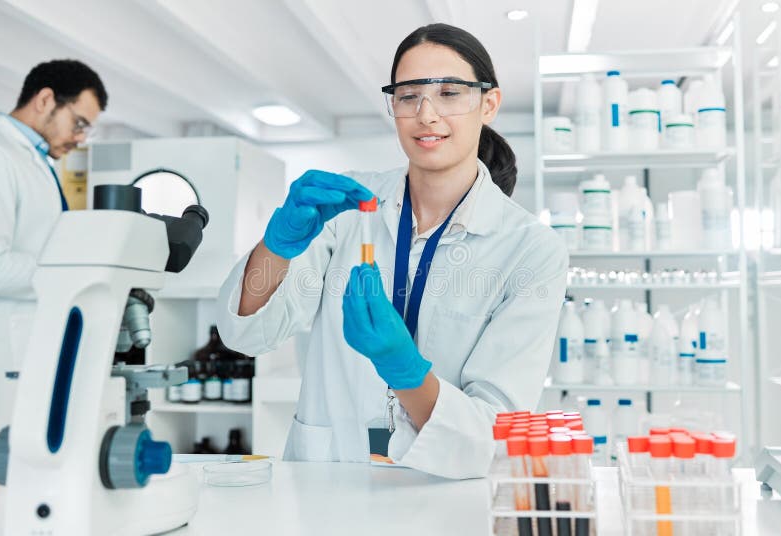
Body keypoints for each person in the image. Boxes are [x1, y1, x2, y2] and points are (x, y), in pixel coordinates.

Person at [217, 23, 567, 479]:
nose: (426, 114)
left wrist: (405, 372)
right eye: (408, 96)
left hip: (440, 492)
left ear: (489, 104)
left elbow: (493, 431)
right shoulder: (347, 207)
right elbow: (245, 335)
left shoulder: (530, 249)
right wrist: (277, 246)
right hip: (328, 481)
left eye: (449, 93)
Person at [0, 60, 108, 432]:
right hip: (6, 353)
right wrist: (74, 272)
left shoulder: (34, 160)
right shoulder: (0, 155)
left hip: (30, 347)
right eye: (79, 124)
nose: (80, 139)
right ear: (45, 100)